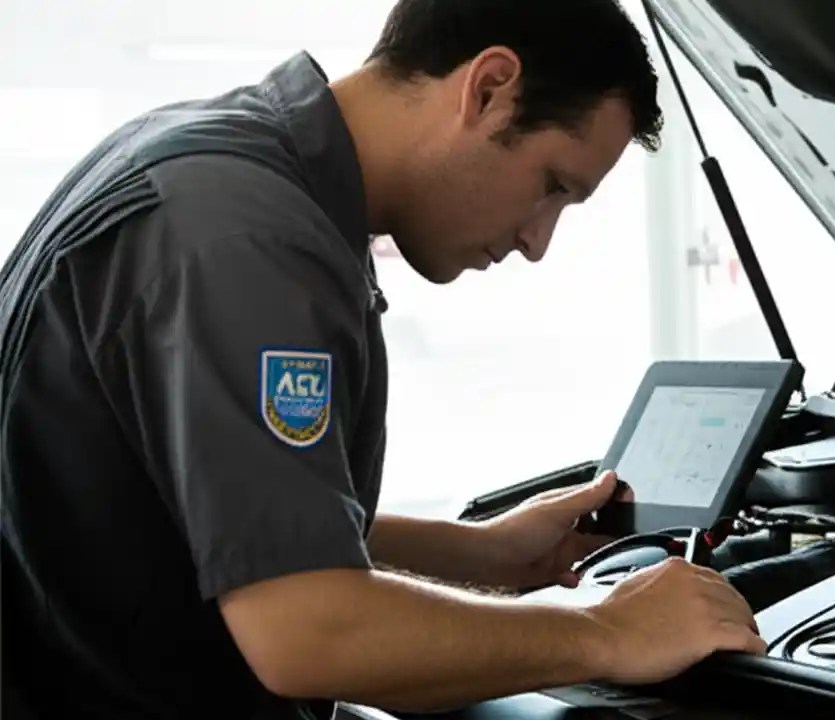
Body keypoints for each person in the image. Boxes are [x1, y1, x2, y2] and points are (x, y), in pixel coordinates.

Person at [0, 1, 764, 718]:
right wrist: (607, 631)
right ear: (490, 88)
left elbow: (233, 526)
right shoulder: (250, 241)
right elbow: (307, 632)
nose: (538, 242)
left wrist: (487, 555)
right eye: (552, 186)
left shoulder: (223, 163)